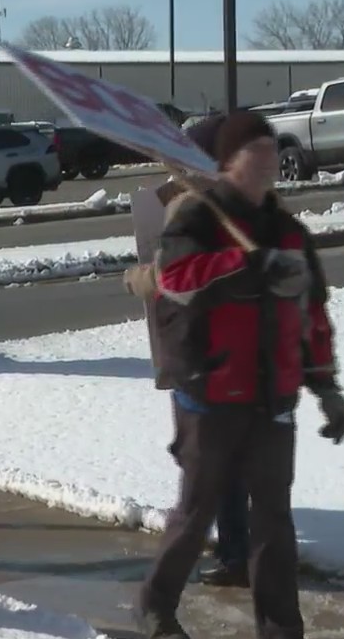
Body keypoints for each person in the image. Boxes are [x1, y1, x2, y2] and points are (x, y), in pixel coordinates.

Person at [130, 111, 344, 639]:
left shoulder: (287, 229)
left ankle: (280, 628)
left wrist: (326, 386)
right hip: (211, 390)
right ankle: (155, 604)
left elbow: (313, 313)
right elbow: (175, 281)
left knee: (274, 520)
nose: (268, 158)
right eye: (256, 148)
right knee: (197, 510)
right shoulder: (198, 218)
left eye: (272, 148)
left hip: (273, 395)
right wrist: (245, 266)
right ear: (229, 161)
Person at [124, 114, 252, 590]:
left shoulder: (191, 208)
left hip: (201, 355)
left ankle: (225, 560)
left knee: (204, 462)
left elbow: (180, 282)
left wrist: (139, 278)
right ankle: (243, 549)